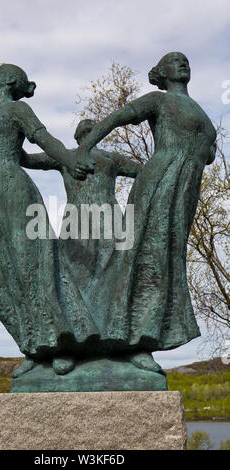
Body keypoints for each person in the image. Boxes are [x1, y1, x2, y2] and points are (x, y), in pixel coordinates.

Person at [0, 32, 97, 377]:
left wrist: (69, 162)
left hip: (15, 194)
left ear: (9, 80)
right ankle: (32, 344)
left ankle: (58, 345)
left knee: (33, 271)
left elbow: (45, 139)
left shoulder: (17, 109)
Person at [75, 52, 217, 372]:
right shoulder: (159, 100)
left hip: (185, 188)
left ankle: (141, 337)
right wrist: (84, 149)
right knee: (145, 258)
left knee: (166, 261)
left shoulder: (202, 113)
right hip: (160, 180)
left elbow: (206, 154)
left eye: (186, 60)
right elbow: (114, 119)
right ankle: (132, 340)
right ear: (162, 72)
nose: (183, 63)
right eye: (174, 60)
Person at [20, 118, 142, 330]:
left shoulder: (90, 157)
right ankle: (89, 329)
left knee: (95, 272)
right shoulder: (86, 157)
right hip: (90, 218)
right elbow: (144, 172)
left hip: (97, 218)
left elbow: (27, 159)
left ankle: (100, 328)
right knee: (90, 273)